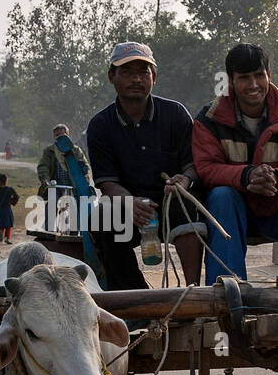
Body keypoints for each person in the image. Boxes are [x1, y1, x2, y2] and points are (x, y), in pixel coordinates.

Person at [192, 43, 278, 285]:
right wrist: (247, 176)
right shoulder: (209, 119)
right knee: (221, 195)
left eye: (258, 76)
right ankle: (228, 291)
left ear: (269, 76)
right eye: (244, 78)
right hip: (232, 215)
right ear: (231, 81)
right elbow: (206, 168)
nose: (253, 85)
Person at [85, 41, 204, 288]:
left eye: (143, 72)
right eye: (126, 72)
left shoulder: (176, 115)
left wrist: (185, 179)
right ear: (111, 77)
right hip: (127, 203)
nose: (136, 79)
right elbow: (107, 184)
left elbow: (193, 165)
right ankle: (133, 297)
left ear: (154, 77)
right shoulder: (100, 125)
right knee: (103, 217)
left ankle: (194, 292)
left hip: (171, 197)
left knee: (188, 204)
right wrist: (129, 203)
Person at [37, 124, 91, 201]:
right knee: (51, 206)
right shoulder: (49, 151)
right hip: (55, 186)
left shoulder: (76, 150)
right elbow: (43, 166)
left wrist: (85, 182)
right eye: (57, 135)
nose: (60, 137)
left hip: (74, 186)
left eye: (63, 134)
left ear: (68, 135)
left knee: (82, 208)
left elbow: (85, 166)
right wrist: (45, 179)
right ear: (54, 137)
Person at [0, 173, 19, 244]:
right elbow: (16, 197)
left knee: (1, 224)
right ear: (6, 180)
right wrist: (12, 202)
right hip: (7, 209)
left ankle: (0, 235)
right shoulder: (10, 189)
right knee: (8, 225)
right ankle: (7, 238)